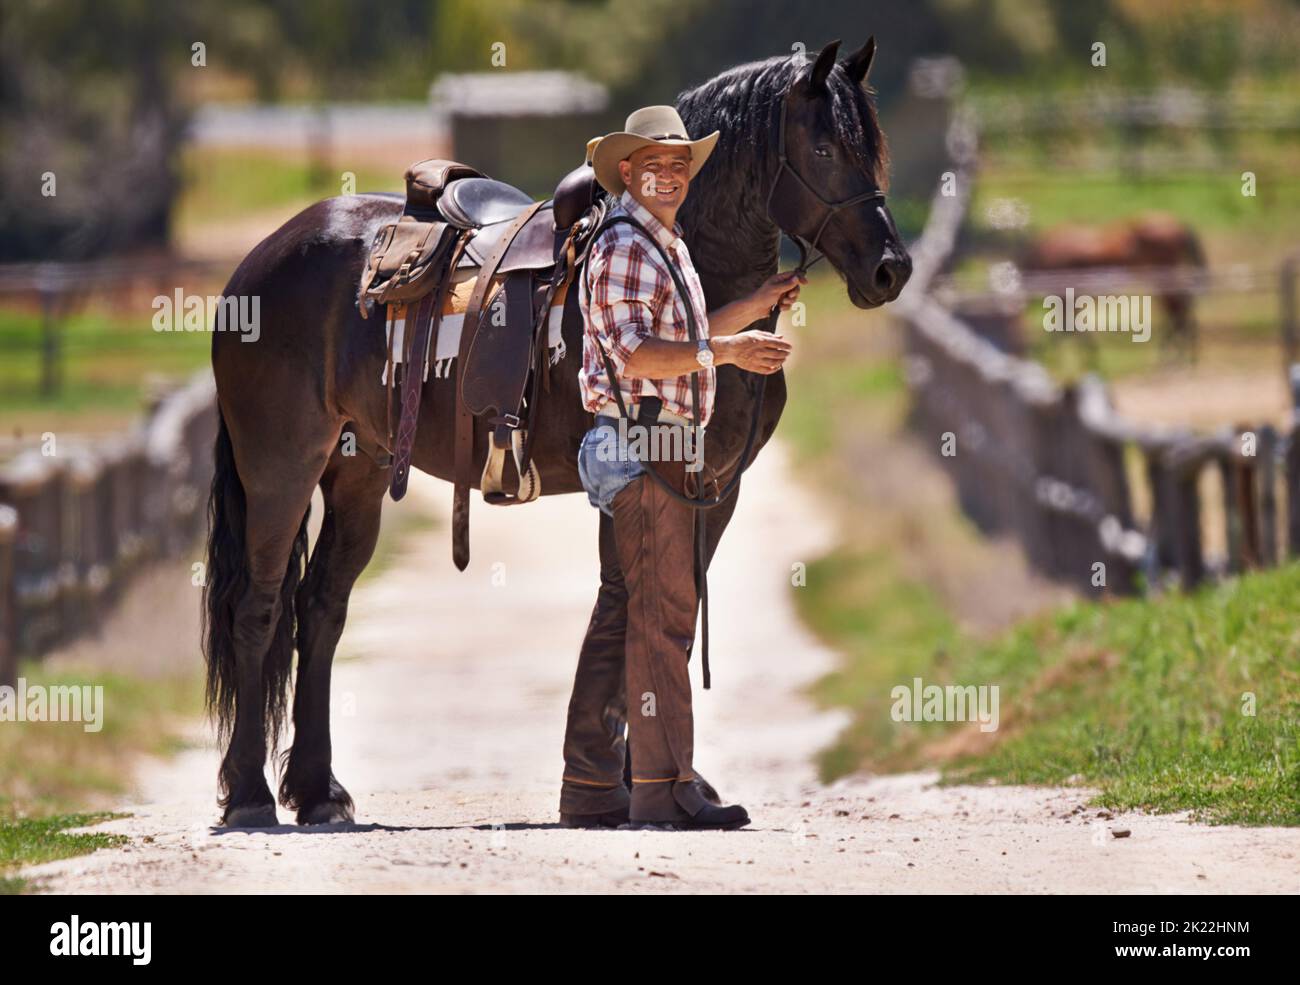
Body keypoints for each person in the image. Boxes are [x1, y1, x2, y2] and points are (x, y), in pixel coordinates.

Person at [560, 105, 802, 830]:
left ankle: (624, 782)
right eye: (655, 166)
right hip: (647, 444)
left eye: (679, 166)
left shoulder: (658, 243)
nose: (670, 177)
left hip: (661, 444)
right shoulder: (630, 245)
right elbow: (636, 354)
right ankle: (663, 788)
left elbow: (679, 333)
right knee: (662, 619)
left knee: (656, 613)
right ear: (626, 173)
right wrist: (726, 353)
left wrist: (751, 307)